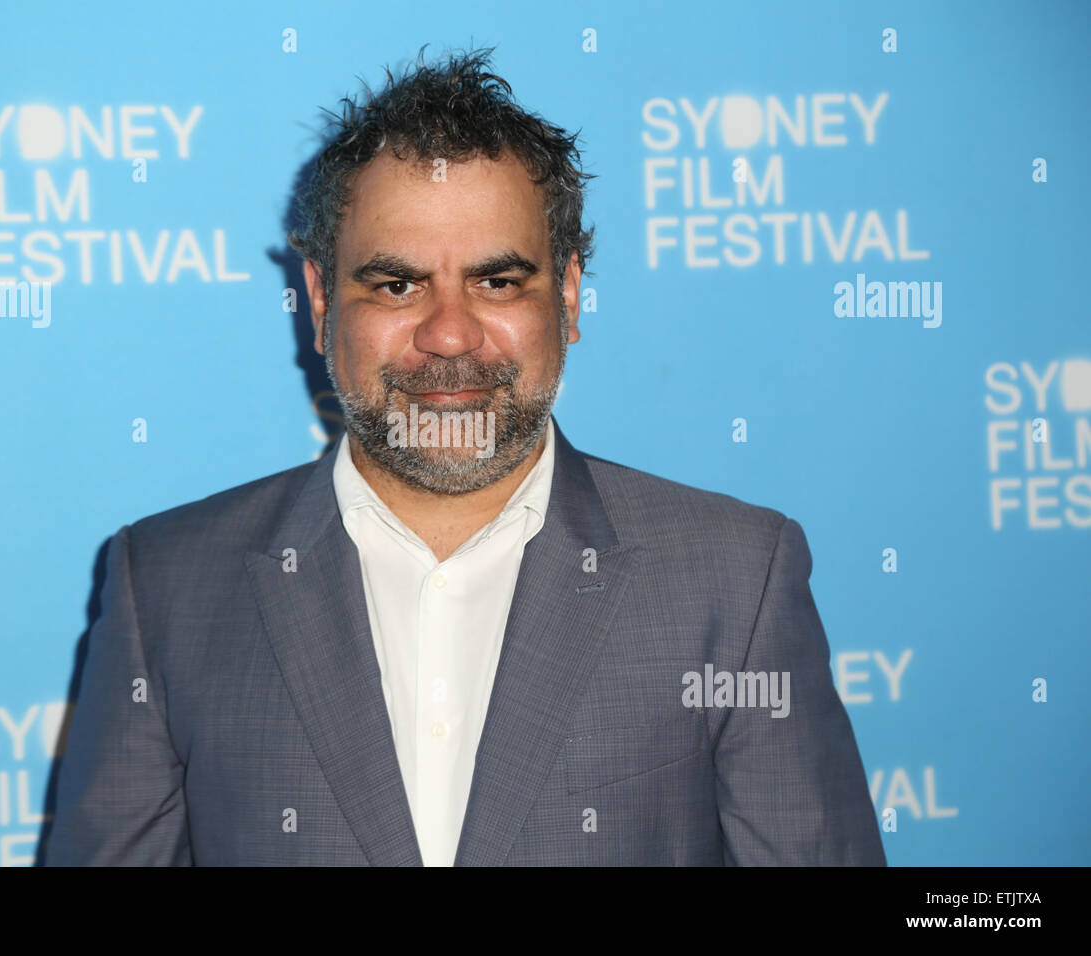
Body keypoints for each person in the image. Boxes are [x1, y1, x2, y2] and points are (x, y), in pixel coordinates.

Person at [43, 47, 885, 866]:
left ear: (569, 295)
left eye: (498, 281)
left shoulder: (734, 583)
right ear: (321, 300)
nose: (449, 333)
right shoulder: (167, 587)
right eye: (397, 284)